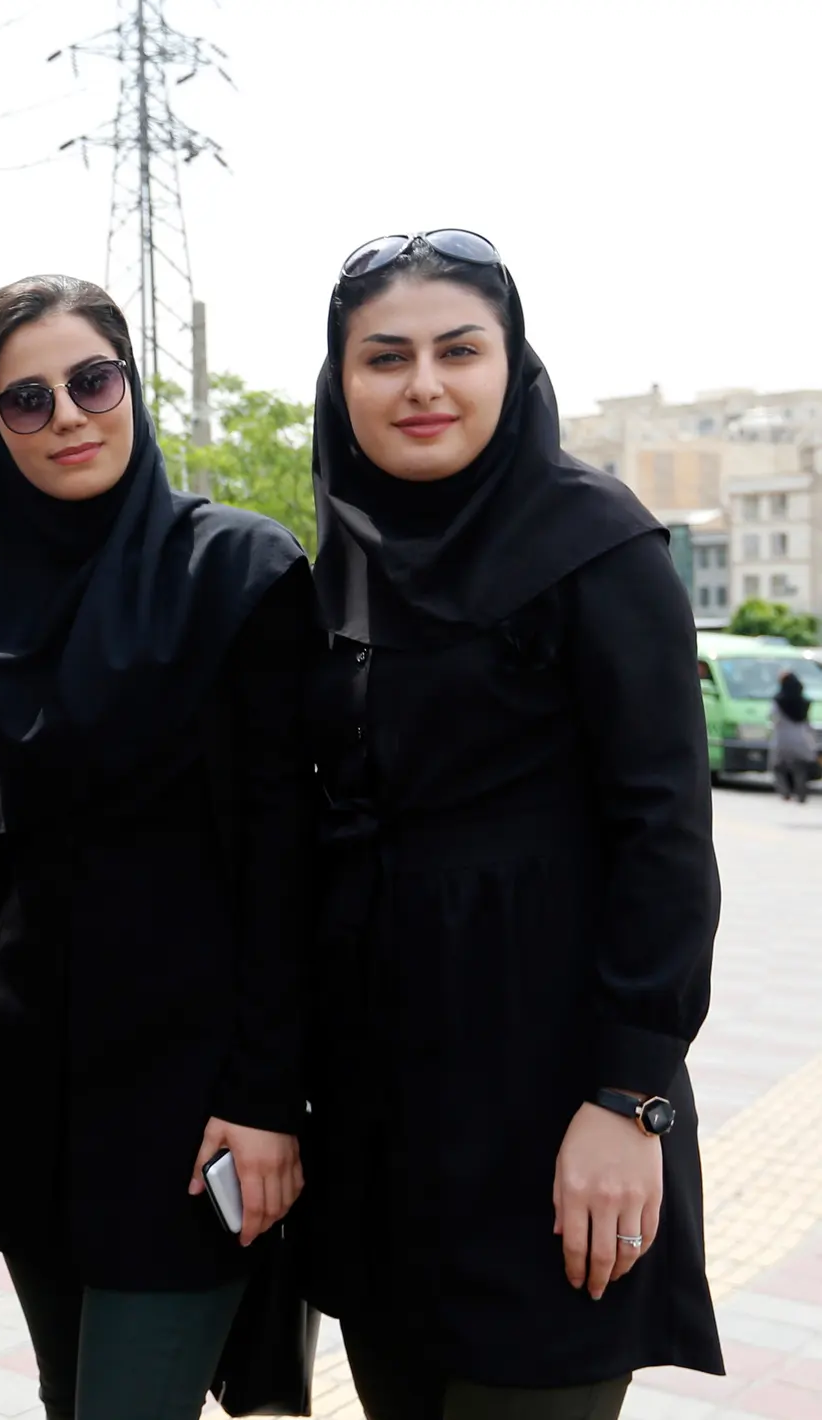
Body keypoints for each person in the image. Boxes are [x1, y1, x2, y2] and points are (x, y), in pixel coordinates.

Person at [301, 230, 724, 1416]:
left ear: (509, 364)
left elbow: (665, 844)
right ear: (339, 382)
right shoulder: (346, 564)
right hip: (385, 1120)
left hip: (556, 1107)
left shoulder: (597, 547)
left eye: (456, 350)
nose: (421, 384)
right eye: (382, 357)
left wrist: (627, 1096)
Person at [0, 275, 317, 1417]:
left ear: (129, 388)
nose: (65, 413)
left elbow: (290, 859)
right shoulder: (6, 614)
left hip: (190, 1104)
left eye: (90, 380)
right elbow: (1, 858)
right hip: (32, 1097)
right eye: (23, 399)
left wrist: (268, 1101)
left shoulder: (239, 573)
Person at [772, 670, 814, 803]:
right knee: (799, 767)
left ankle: (784, 791)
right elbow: (807, 721)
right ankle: (801, 792)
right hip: (801, 738)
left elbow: (773, 717)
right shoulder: (804, 701)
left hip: (783, 738)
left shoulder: (779, 700)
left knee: (779, 766)